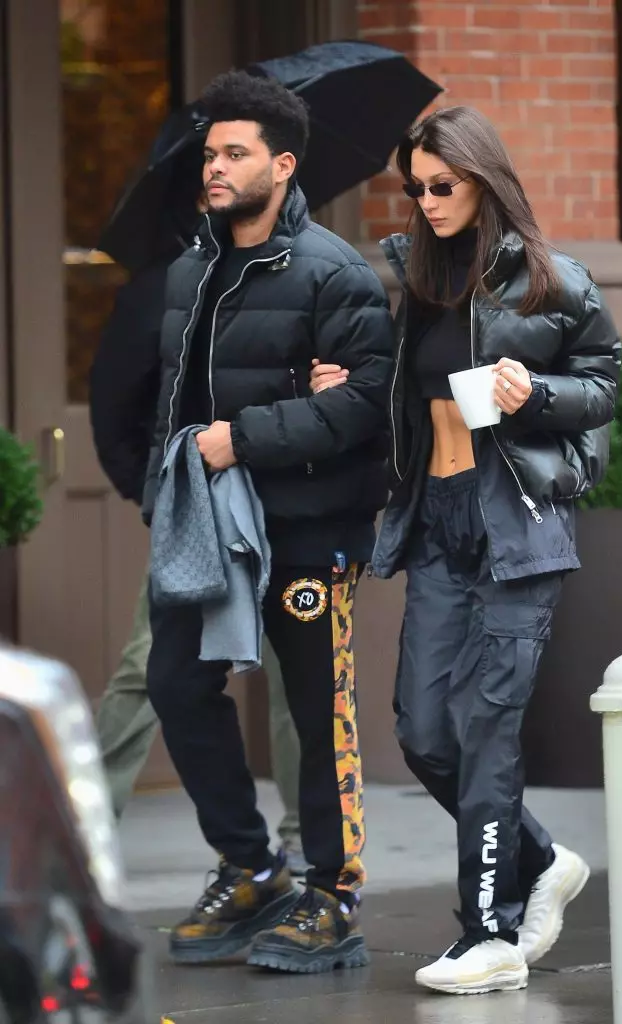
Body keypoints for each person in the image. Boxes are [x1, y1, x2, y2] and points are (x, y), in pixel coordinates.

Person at [310, 105, 620, 996]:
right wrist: (347, 386)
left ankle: (485, 933)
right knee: (421, 729)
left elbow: (599, 387)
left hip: (516, 524)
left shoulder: (555, 282)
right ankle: (541, 859)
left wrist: (537, 393)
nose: (426, 200)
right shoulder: (410, 281)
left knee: (485, 731)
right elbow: (396, 400)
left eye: (441, 184)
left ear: (484, 179)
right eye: (415, 187)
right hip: (436, 519)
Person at [141, 71, 393, 974]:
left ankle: (332, 891)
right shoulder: (189, 268)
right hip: (205, 524)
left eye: (234, 153)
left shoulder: (331, 269)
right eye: (209, 153)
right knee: (175, 681)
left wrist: (241, 438)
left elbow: (368, 401)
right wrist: (161, 490)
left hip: (306, 523)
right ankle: (250, 866)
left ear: (281, 166)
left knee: (314, 705)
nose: (214, 166)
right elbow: (171, 400)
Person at [89, 166, 308, 876]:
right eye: (212, 171)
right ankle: (81, 825)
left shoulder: (304, 271)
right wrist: (155, 494)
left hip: (284, 508)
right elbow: (114, 403)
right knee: (151, 670)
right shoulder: (162, 285)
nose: (223, 182)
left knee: (295, 674)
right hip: (195, 511)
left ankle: (308, 835)